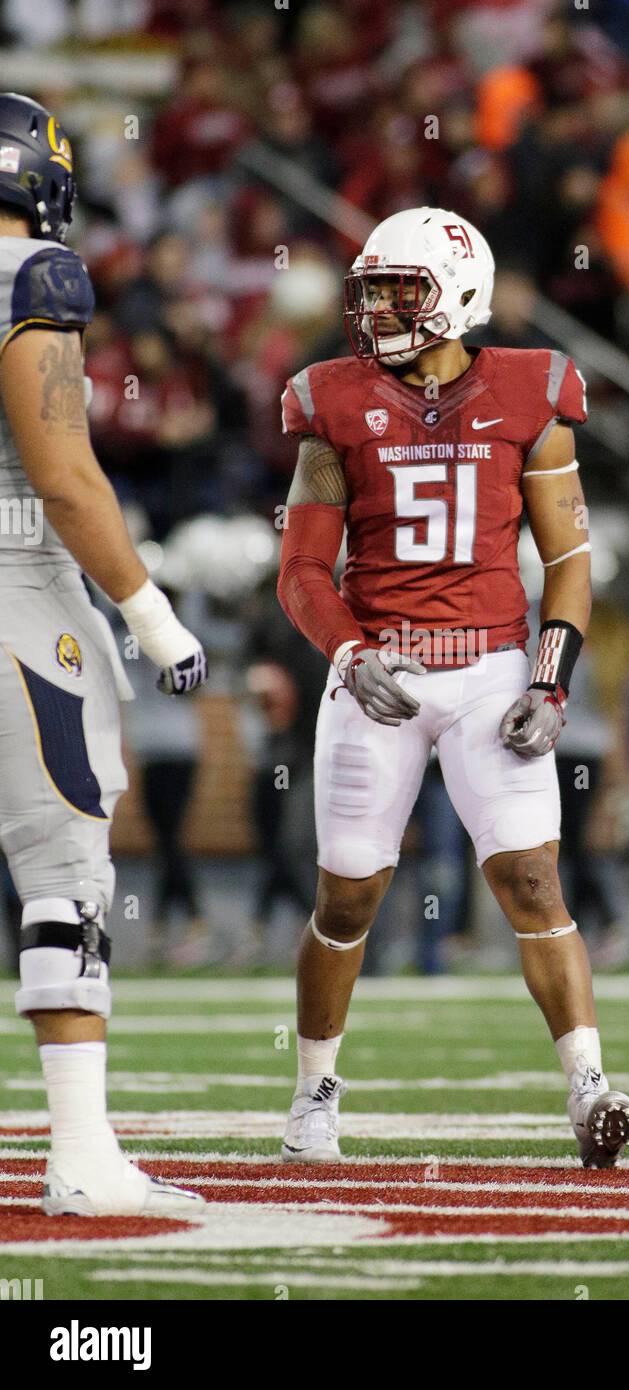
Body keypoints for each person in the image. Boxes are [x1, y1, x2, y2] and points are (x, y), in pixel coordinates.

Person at [277, 206, 629, 1168]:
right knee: (348, 897)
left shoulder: (533, 389)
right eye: (373, 292)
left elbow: (568, 558)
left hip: (490, 665)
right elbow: (303, 573)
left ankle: (588, 1088)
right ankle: (314, 1093)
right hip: (379, 663)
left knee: (530, 879)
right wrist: (352, 657)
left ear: (462, 294)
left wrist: (551, 684)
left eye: (402, 291)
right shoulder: (332, 401)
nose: (380, 312)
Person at [0, 93, 207, 1216]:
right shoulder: (31, 273)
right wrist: (148, 609)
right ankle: (81, 1153)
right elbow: (65, 477)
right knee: (64, 864)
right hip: (15, 585)